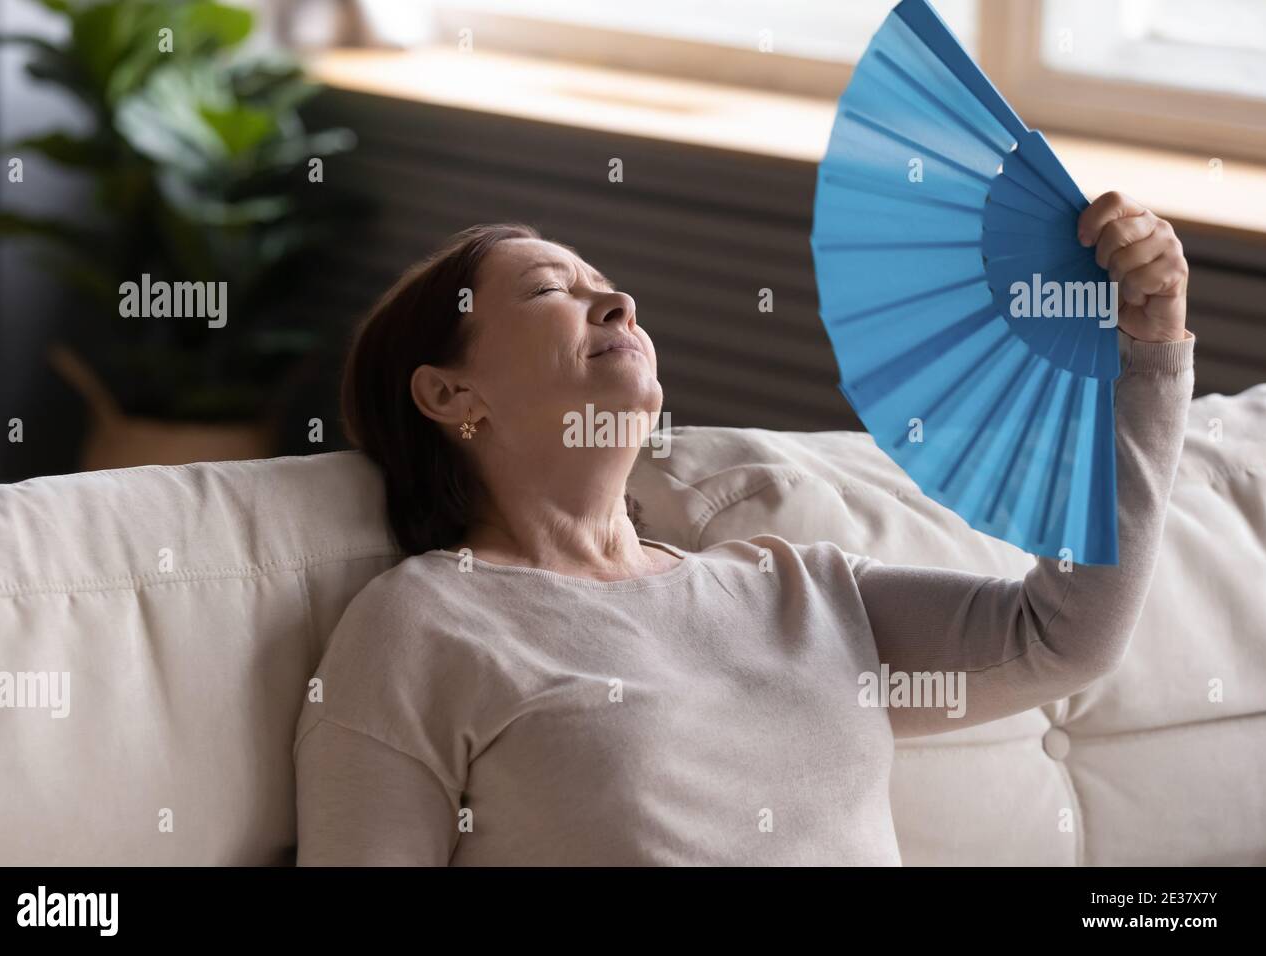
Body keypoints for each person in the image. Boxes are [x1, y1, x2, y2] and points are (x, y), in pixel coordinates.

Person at [294, 192, 1195, 864]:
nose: (618, 307)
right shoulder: (420, 626)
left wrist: (1140, 356)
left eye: (609, 288)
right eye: (548, 292)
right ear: (450, 393)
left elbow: (1062, 637)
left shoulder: (793, 589)